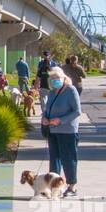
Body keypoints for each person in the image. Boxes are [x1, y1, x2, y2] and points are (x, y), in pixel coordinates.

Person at [43, 68, 82, 197]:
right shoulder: (52, 92)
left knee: (68, 158)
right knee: (54, 159)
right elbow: (47, 108)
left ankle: (71, 186)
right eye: (52, 79)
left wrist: (60, 120)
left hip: (67, 131)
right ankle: (54, 186)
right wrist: (44, 117)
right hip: (53, 130)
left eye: (57, 78)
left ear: (64, 78)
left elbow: (77, 111)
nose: (55, 81)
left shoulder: (71, 90)